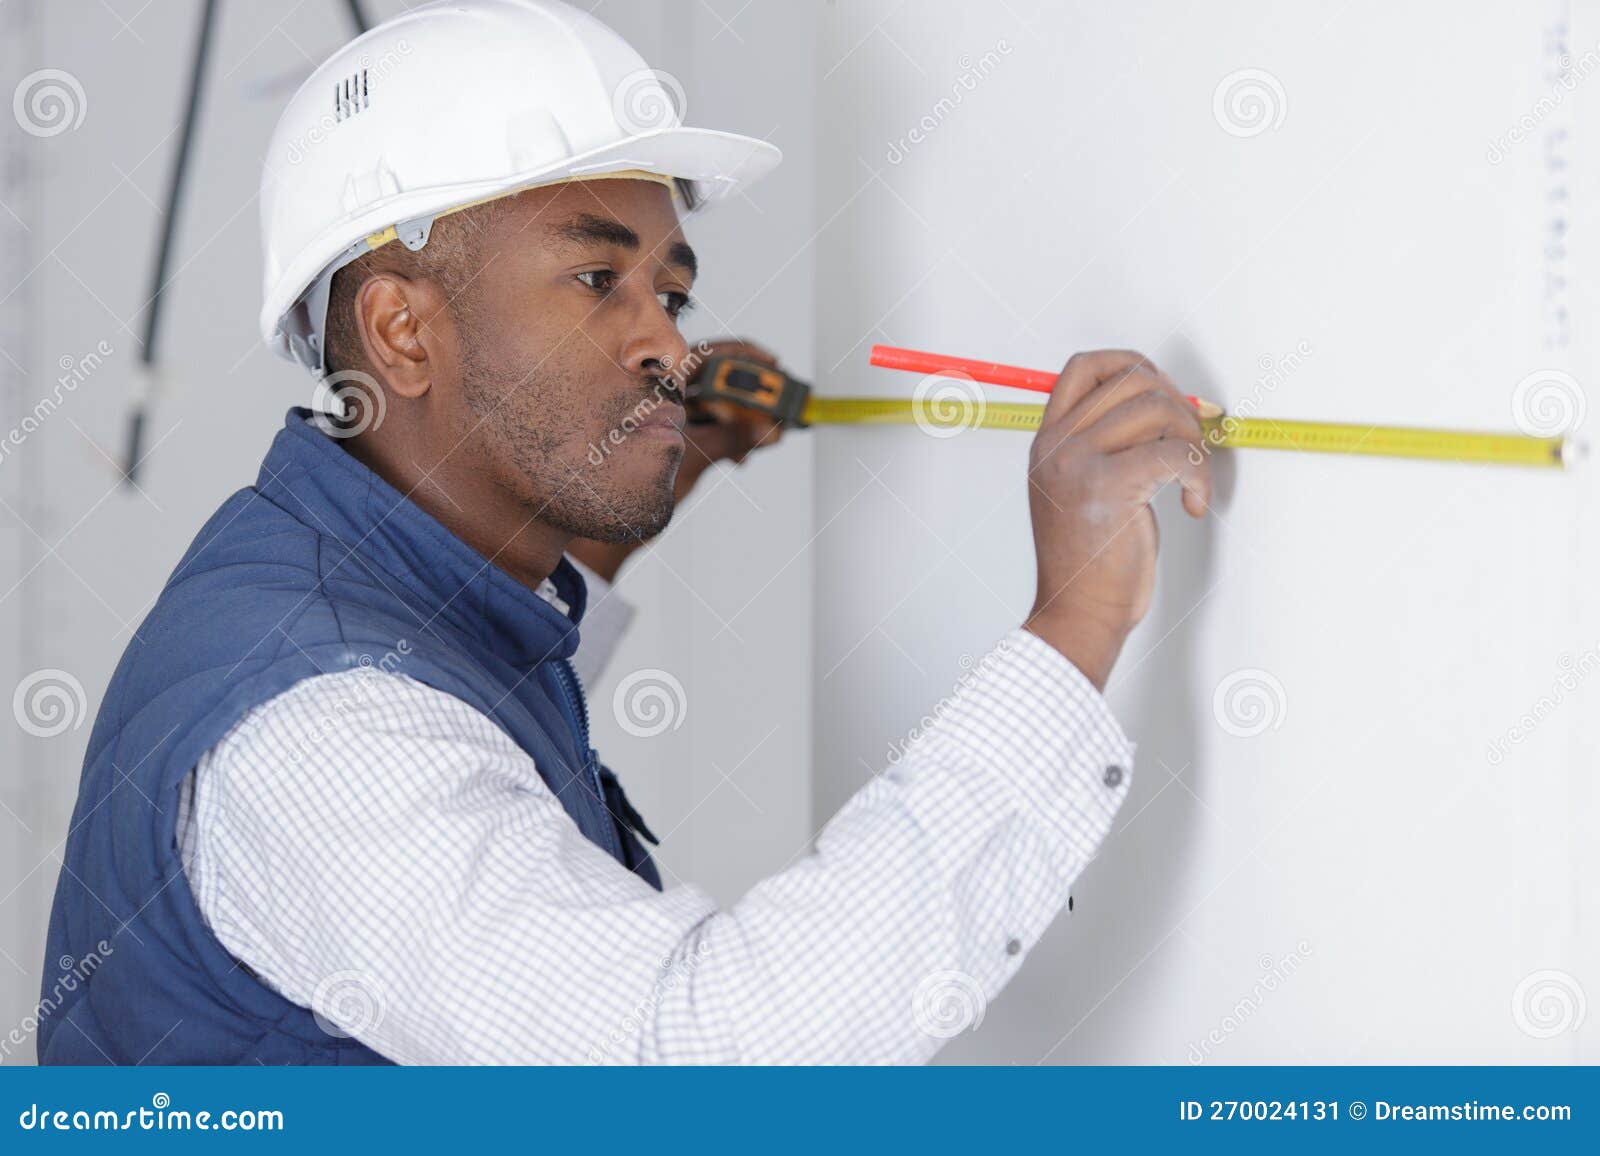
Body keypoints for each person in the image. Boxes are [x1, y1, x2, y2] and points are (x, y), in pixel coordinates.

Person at [39, 0, 1211, 1064]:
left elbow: (465, 688)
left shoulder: (326, 569)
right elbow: (700, 1063)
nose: (672, 347)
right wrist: (1081, 607)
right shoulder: (322, 739)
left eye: (671, 292)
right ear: (401, 329)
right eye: (599, 279)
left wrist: (671, 451)